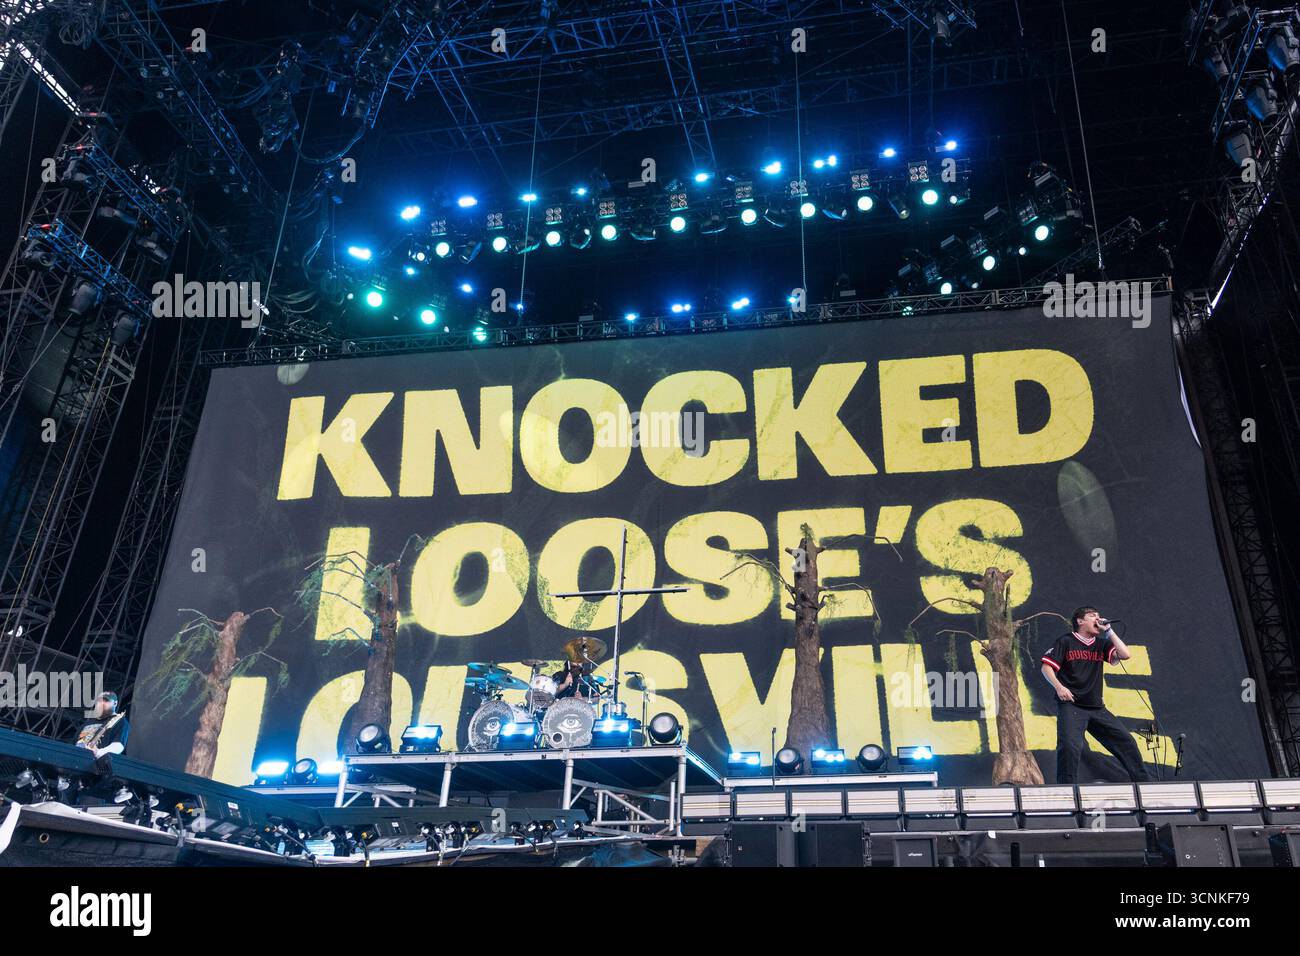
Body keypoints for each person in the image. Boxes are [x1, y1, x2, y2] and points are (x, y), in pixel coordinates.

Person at [1040, 608, 1149, 784]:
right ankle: (1067, 790)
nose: (1098, 619)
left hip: (1096, 706)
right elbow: (1046, 667)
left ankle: (1144, 785)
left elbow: (1125, 654)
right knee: (1069, 747)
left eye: (1099, 616)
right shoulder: (1066, 641)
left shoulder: (1101, 644)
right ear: (1080, 621)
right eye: (1092, 616)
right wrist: (1059, 687)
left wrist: (1109, 631)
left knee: (1126, 741)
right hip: (1072, 705)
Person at [74, 691, 129, 759]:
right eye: (99, 700)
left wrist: (99, 752)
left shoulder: (120, 722)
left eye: (106, 700)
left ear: (115, 703)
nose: (101, 703)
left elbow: (118, 746)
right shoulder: (86, 724)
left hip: (95, 765)